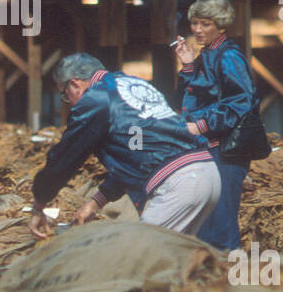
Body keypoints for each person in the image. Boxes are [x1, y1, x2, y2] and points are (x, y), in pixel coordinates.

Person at [29, 52, 221, 240]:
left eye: (65, 96)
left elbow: (65, 157)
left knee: (136, 262)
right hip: (206, 172)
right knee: (174, 263)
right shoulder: (132, 84)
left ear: (74, 84)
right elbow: (135, 156)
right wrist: (95, 203)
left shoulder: (96, 98)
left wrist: (39, 204)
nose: (69, 103)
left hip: (177, 184)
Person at [174, 0, 260, 252]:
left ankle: (232, 285)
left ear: (221, 25)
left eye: (205, 24)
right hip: (207, 149)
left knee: (221, 224)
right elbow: (198, 96)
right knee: (206, 223)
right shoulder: (208, 55)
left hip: (225, 151)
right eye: (194, 23)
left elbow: (243, 100)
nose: (197, 30)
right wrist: (188, 66)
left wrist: (201, 125)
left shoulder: (228, 56)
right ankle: (211, 283)